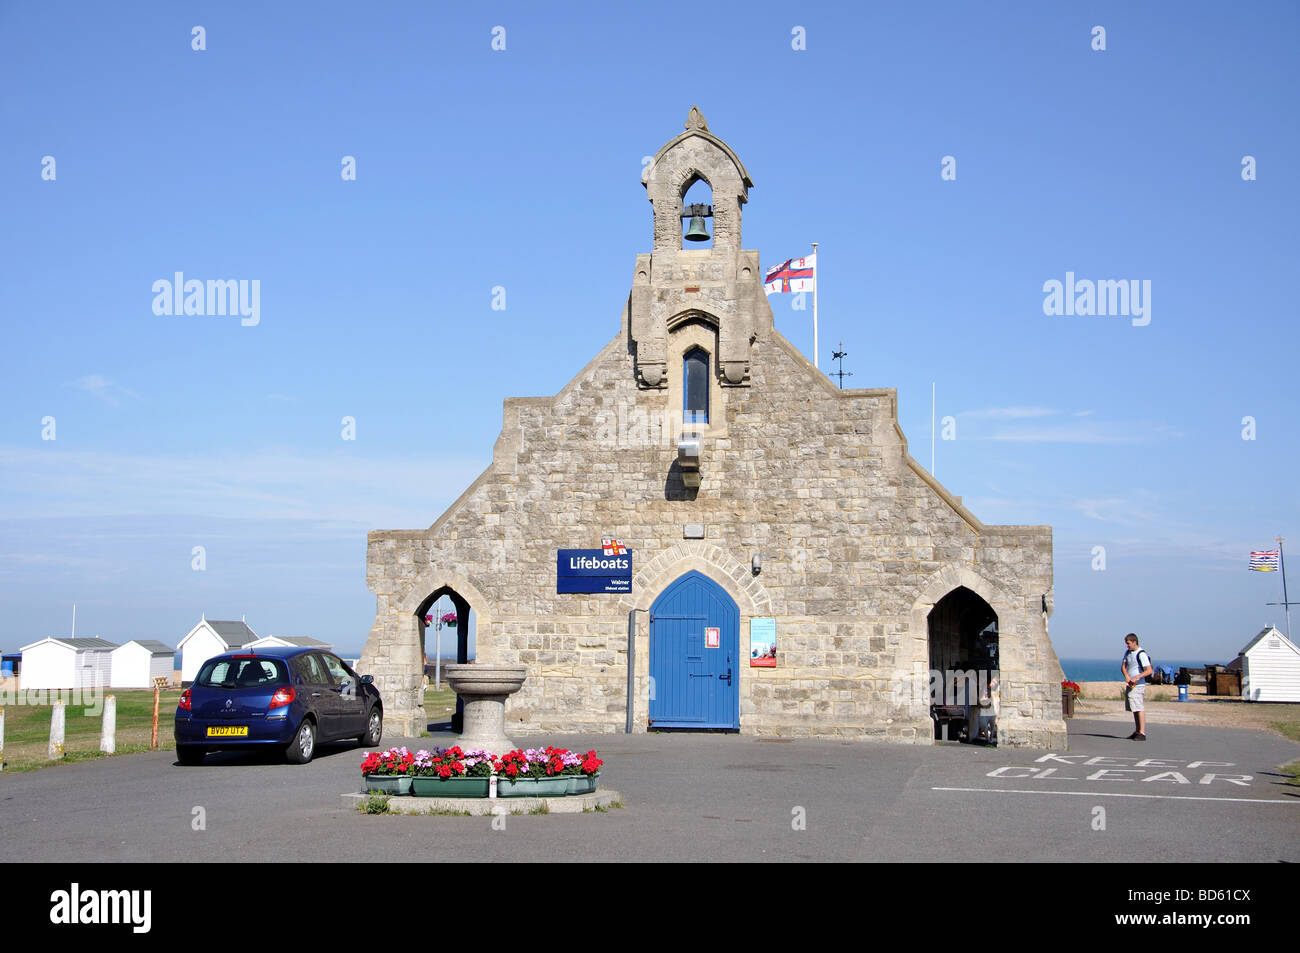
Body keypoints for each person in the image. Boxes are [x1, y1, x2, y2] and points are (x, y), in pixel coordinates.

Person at [1121, 633, 1154, 740]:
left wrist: (1137, 677)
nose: (1127, 646)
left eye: (1129, 643)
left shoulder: (1141, 654)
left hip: (1138, 685)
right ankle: (1137, 730)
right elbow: (1123, 666)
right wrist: (1127, 676)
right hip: (1130, 684)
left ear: (1134, 642)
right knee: (1134, 707)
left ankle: (1142, 732)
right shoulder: (1128, 653)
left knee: (1139, 707)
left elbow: (1149, 670)